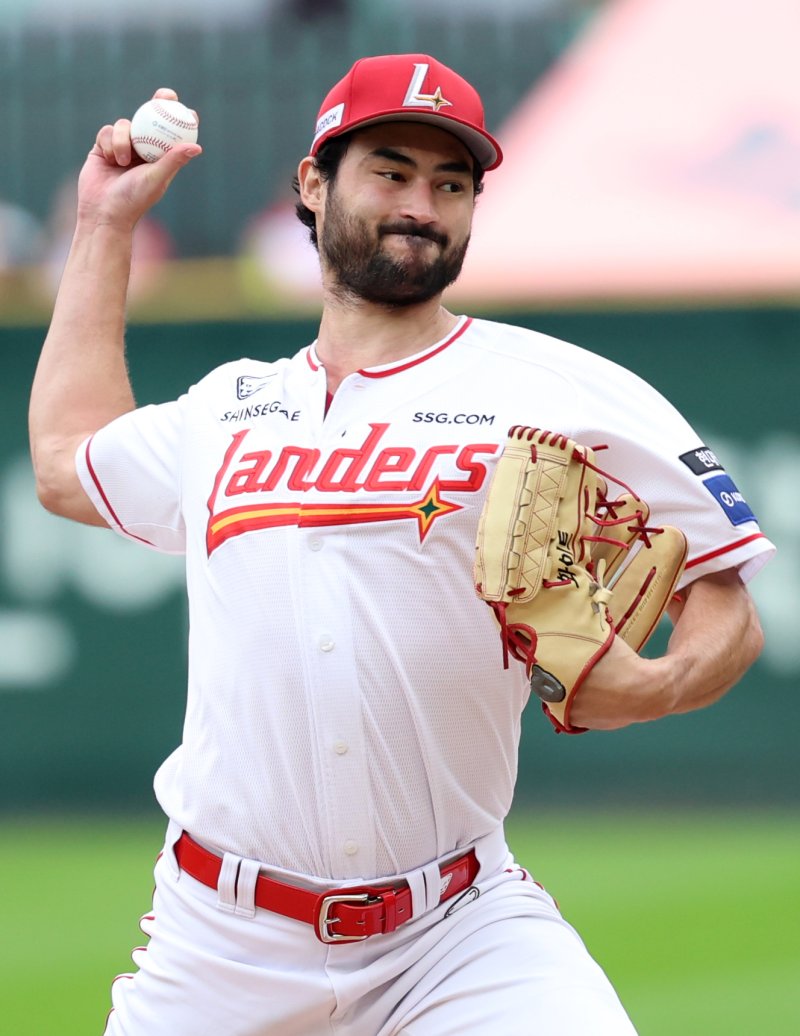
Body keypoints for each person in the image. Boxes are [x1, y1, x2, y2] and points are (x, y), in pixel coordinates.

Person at [29, 54, 772, 1036]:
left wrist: (662, 683)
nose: (421, 203)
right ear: (312, 182)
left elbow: (723, 591)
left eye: (450, 183)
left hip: (456, 930)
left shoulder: (557, 389)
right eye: (389, 170)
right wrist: (105, 223)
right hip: (218, 945)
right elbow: (65, 460)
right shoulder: (226, 408)